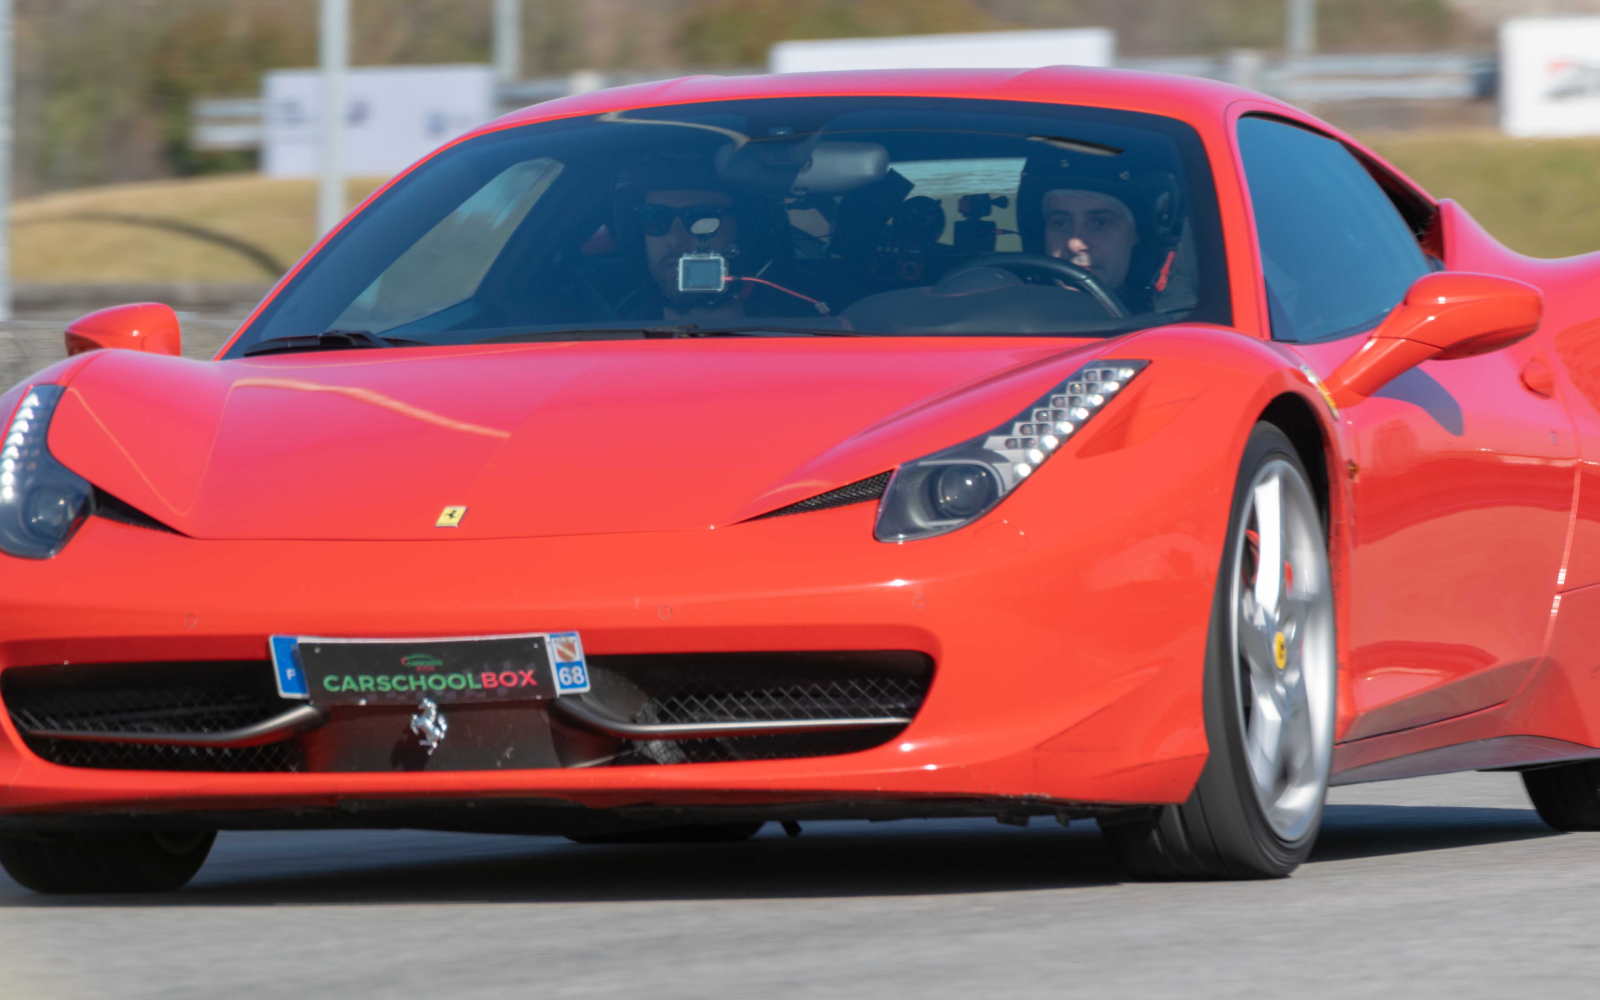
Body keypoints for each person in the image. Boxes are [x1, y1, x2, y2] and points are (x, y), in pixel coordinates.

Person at [1014, 152, 1187, 314]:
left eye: (1100, 222)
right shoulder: (1009, 310)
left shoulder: (1183, 328)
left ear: (1144, 239)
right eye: (1060, 223)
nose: (1074, 245)